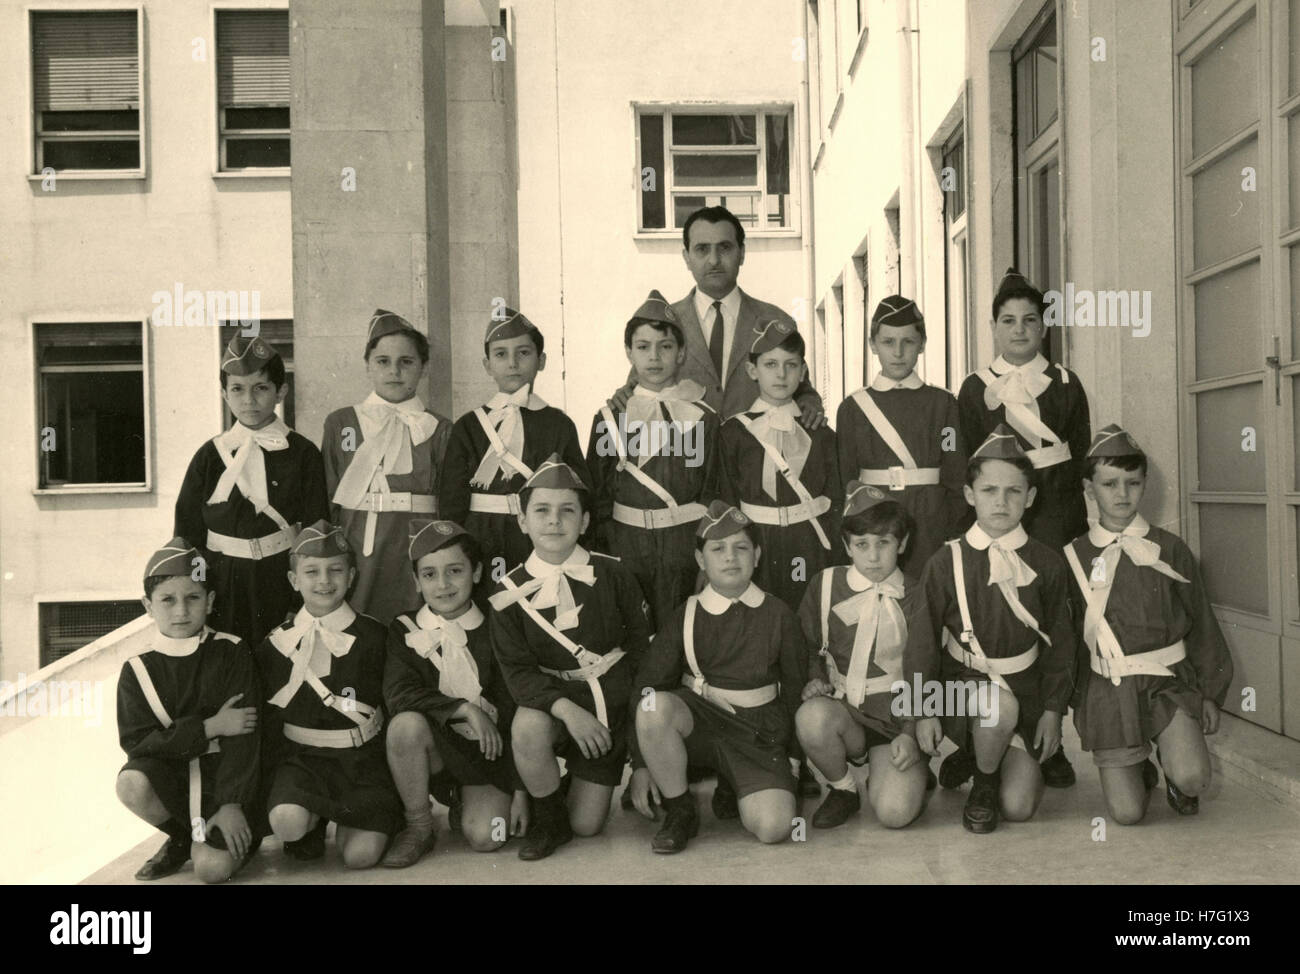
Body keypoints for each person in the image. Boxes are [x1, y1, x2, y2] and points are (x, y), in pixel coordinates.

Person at [955, 268, 1091, 789]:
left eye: (1029, 320)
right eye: (1007, 321)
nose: (1019, 330)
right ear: (993, 327)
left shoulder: (1064, 383)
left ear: (1044, 327)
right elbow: (970, 463)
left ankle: (1047, 741)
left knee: (1047, 622)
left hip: (1054, 514)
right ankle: (980, 742)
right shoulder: (974, 389)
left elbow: (1077, 450)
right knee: (997, 625)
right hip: (997, 518)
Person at [904, 426, 1076, 834]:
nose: (1001, 502)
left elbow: (1062, 644)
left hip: (1026, 687)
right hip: (959, 688)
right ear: (969, 495)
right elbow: (921, 642)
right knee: (996, 710)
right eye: (989, 490)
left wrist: (1053, 709)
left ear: (1030, 498)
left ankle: (981, 756)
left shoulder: (1047, 562)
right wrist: (921, 710)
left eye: (1014, 491)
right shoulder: (945, 561)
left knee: (1019, 807)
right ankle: (983, 779)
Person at [1063, 424, 1233, 822]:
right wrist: (1069, 701)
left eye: (1132, 483)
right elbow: (1068, 637)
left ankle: (1177, 770)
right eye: (1109, 484)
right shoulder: (1072, 555)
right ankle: (1140, 764)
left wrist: (1209, 691)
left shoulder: (1171, 549)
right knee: (1127, 814)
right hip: (1109, 686)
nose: (1122, 495)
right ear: (1089, 489)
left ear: (1145, 485)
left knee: (1194, 778)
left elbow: (1202, 625)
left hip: (1167, 680)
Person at [488, 455, 651, 860]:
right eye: (541, 510)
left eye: (567, 511)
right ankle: (549, 818)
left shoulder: (614, 574)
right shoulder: (508, 593)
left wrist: (641, 754)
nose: (554, 521)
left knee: (588, 826)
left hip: (609, 704)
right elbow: (518, 674)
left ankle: (568, 792)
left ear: (585, 521)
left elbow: (642, 655)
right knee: (527, 726)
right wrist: (566, 710)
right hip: (551, 705)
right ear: (523, 520)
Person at [628, 501, 806, 853]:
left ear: (756, 555)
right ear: (700, 560)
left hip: (759, 732)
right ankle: (680, 810)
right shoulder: (687, 614)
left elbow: (796, 691)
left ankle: (735, 783)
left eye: (741, 548)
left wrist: (795, 760)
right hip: (704, 723)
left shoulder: (779, 613)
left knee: (774, 828)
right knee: (653, 707)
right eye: (718, 549)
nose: (730, 558)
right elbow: (646, 686)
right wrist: (640, 763)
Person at [381, 520, 528, 868]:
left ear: (476, 572)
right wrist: (463, 709)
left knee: (489, 837)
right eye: (429, 575)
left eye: (455, 571)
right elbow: (399, 693)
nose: (443, 584)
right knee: (404, 725)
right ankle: (418, 826)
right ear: (416, 581)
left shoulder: (498, 624)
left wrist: (523, 792)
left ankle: (472, 801)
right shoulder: (405, 627)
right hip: (437, 751)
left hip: (492, 759)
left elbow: (520, 706)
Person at [256, 521, 402, 868]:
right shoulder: (275, 643)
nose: (324, 581)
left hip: (362, 761)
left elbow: (390, 706)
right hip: (303, 763)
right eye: (311, 572)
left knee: (359, 858)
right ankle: (310, 821)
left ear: (351, 576)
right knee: (286, 822)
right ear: (294, 580)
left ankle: (371, 818)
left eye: (335, 570)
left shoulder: (376, 635)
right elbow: (270, 720)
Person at [115, 538, 261, 882]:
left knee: (212, 871)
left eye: (193, 598)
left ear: (210, 602)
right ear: (148, 605)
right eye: (167, 600)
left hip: (227, 781)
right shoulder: (137, 669)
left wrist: (232, 803)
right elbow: (138, 745)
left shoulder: (232, 651)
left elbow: (245, 736)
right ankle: (181, 836)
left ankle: (234, 832)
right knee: (131, 782)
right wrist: (208, 728)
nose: (181, 611)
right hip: (177, 784)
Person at [175, 334, 329, 646]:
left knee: (282, 656)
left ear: (280, 391)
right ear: (224, 394)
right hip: (223, 581)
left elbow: (316, 527)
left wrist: (302, 595)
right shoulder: (209, 456)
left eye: (260, 388)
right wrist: (199, 594)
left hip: (281, 577)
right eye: (237, 389)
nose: (248, 400)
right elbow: (187, 534)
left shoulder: (302, 452)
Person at [607, 205, 825, 426]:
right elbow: (640, 387)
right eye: (702, 249)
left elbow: (802, 389)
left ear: (742, 254)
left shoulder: (775, 320)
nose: (713, 260)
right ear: (686, 257)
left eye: (724, 248)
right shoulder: (664, 324)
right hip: (690, 456)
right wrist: (625, 395)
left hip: (756, 455)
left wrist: (809, 404)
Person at [795, 483, 933, 830]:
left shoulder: (918, 594)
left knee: (895, 814)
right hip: (845, 712)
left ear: (902, 544)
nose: (873, 557)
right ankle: (843, 788)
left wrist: (911, 730)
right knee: (811, 717)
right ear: (846, 545)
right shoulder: (824, 585)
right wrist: (816, 678)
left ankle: (909, 769)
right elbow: (809, 645)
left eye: (884, 543)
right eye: (862, 545)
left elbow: (926, 668)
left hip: (895, 720)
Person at [586, 289, 719, 629]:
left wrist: (708, 563)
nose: (654, 357)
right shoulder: (610, 419)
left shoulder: (703, 419)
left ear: (682, 353)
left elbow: (714, 492)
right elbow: (597, 495)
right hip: (626, 547)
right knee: (631, 631)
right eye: (643, 347)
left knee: (685, 630)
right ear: (629, 352)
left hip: (683, 547)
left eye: (666, 346)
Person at [440, 309, 592, 579]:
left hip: (538, 535)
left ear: (541, 360)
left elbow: (579, 489)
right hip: (480, 535)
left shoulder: (558, 424)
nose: (512, 363)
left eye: (523, 353)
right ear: (487, 365)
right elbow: (452, 500)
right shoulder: (468, 426)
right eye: (500, 354)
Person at [320, 309, 451, 623]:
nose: (395, 371)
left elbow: (448, 503)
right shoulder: (342, 423)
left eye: (406, 362)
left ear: (423, 368)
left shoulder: (439, 428)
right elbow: (327, 497)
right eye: (383, 361)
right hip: (358, 546)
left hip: (415, 546)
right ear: (368, 365)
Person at [718, 319, 841, 613]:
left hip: (809, 541)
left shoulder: (820, 432)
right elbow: (725, 496)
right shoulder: (733, 432)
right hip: (758, 541)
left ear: (803, 372)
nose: (781, 374)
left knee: (808, 615)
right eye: (770, 364)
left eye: (791, 364)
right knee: (760, 618)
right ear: (752, 370)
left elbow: (835, 498)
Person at [837, 296, 967, 572]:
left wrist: (951, 528)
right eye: (888, 342)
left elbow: (956, 474)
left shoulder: (942, 403)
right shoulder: (853, 408)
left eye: (908, 341)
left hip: (931, 521)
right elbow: (845, 481)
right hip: (876, 522)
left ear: (922, 344)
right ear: (873, 345)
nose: (898, 352)